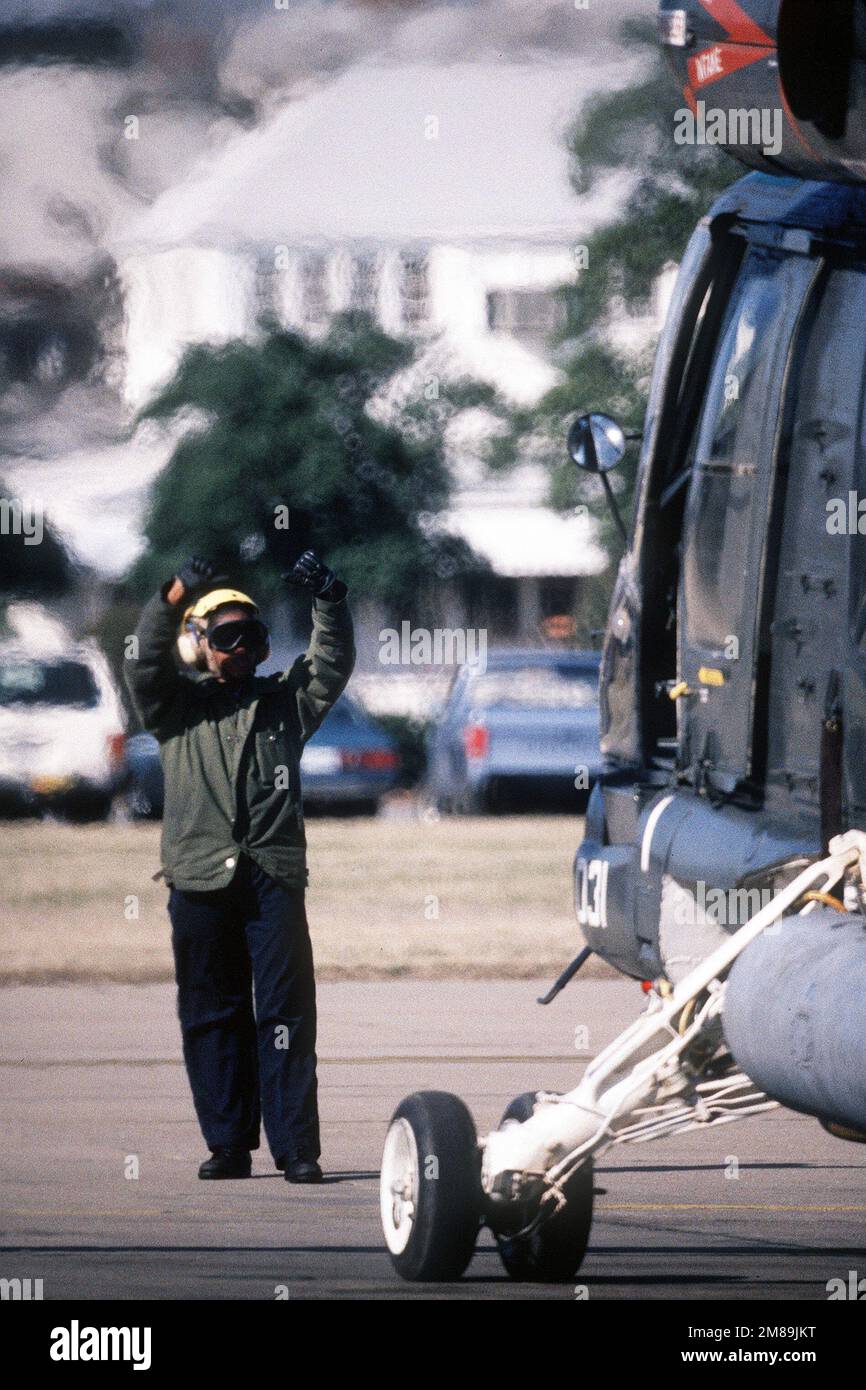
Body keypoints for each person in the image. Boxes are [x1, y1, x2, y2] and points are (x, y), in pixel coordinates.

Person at [124, 551, 355, 1184]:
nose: (242, 646)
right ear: (198, 645)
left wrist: (330, 600)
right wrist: (171, 596)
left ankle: (296, 1150)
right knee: (210, 1011)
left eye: (250, 634)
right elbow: (143, 662)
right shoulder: (175, 709)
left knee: (285, 1011)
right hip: (198, 875)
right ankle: (227, 1143)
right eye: (225, 636)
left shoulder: (286, 703)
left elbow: (331, 663)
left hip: (271, 874)